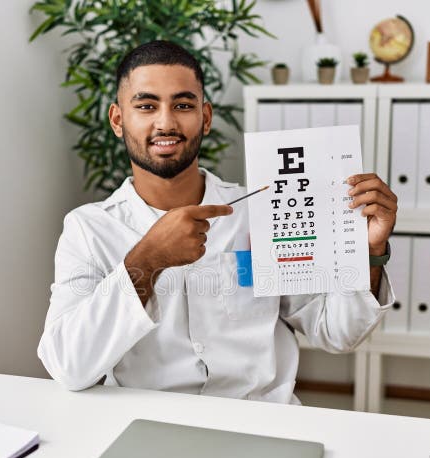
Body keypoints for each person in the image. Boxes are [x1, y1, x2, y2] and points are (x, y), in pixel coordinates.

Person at [37, 40, 397, 404]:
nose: (166, 122)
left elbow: (337, 333)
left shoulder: (261, 210)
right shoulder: (88, 230)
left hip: (262, 423)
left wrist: (369, 251)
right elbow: (69, 365)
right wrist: (147, 259)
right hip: (151, 427)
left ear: (205, 118)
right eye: (146, 106)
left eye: (183, 105)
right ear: (118, 120)